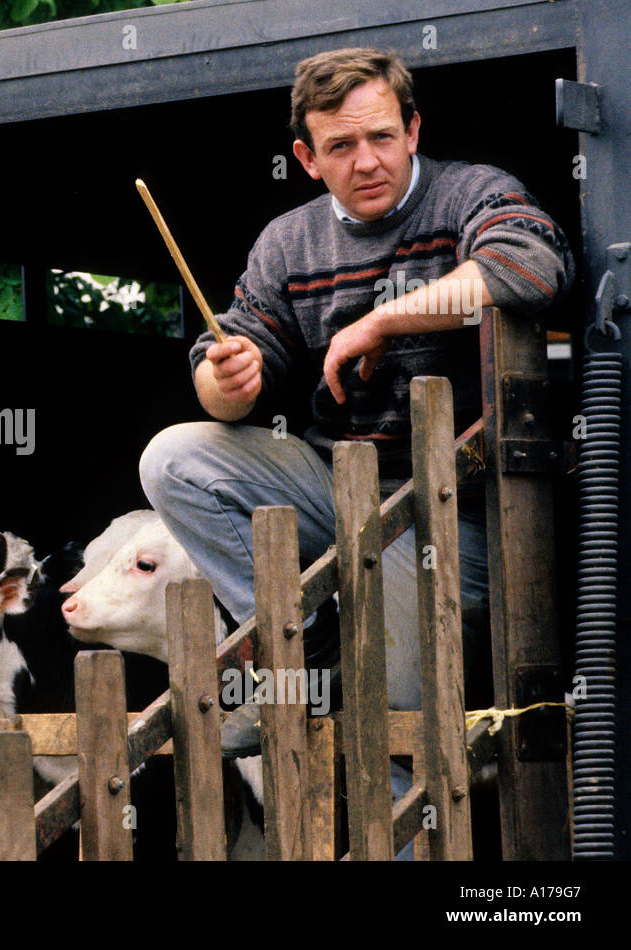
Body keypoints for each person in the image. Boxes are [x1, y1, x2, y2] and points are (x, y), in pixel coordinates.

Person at [139, 48, 574, 761]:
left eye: (380, 137)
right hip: (341, 486)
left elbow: (528, 267)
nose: (366, 160)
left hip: (461, 505)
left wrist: (383, 320)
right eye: (341, 146)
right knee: (173, 458)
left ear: (412, 130)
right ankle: (307, 648)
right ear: (308, 158)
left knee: (396, 727)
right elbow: (224, 369)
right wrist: (230, 380)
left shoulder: (469, 193)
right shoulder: (288, 242)